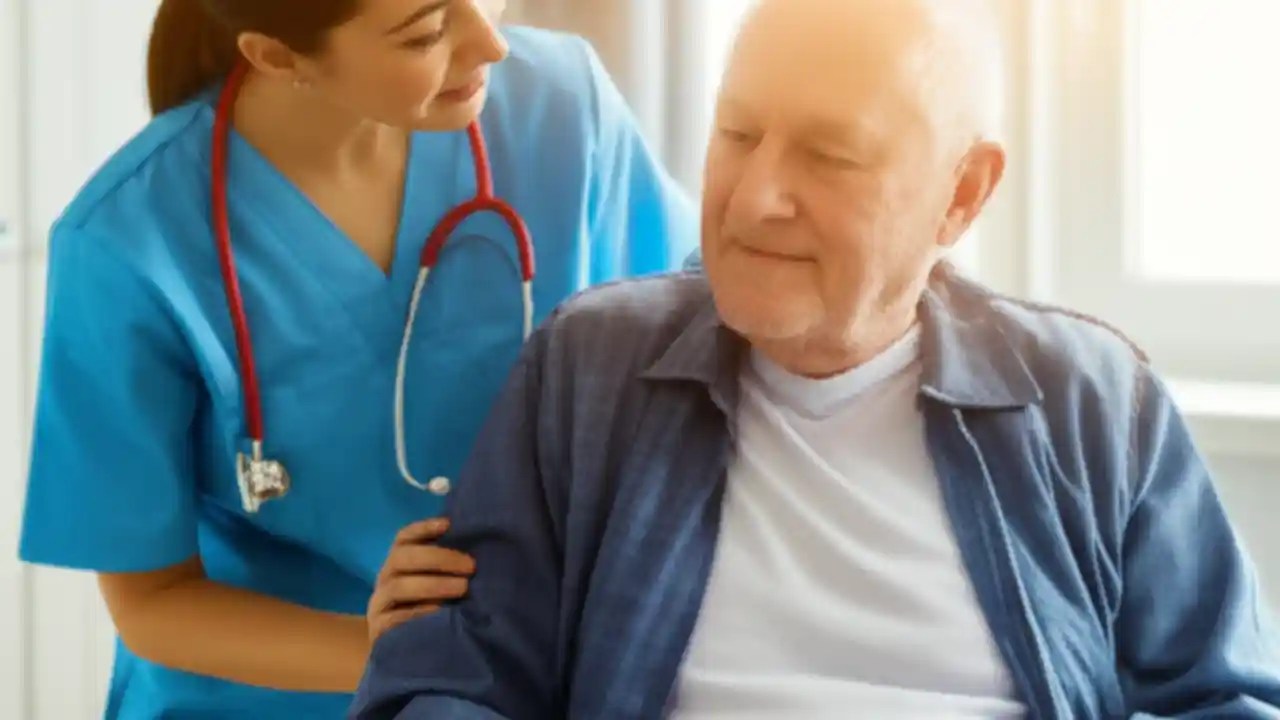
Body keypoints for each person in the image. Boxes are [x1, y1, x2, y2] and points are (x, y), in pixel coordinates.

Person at [351, 0, 1280, 717]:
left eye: (831, 156)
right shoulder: (586, 371)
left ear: (961, 193)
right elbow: (450, 684)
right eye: (737, 134)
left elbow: (1223, 699)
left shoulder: (1094, 402)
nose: (755, 199)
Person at [17, 0, 696, 717]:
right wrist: (395, 653)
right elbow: (152, 603)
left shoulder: (562, 110)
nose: (490, 44)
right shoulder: (127, 242)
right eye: (426, 33)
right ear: (278, 55)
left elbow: (690, 346)